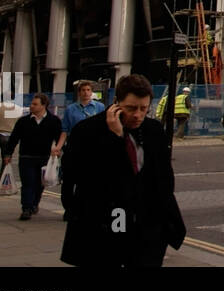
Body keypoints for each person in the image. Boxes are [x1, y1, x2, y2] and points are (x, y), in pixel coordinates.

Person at [60, 73, 186, 267]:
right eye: (131, 108)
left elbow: (164, 179)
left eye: (143, 108)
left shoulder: (154, 130)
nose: (138, 115)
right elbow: (75, 177)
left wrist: (165, 224)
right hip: (103, 227)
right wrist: (116, 139)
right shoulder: (87, 132)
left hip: (147, 229)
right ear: (117, 103)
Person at [3, 93, 63, 221]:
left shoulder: (54, 121)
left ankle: (34, 203)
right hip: (26, 157)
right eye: (31, 104)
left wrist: (58, 150)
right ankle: (26, 208)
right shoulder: (23, 121)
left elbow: (59, 138)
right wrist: (8, 154)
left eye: (35, 104)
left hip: (44, 158)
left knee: (40, 184)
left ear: (44, 106)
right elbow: (13, 139)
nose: (31, 106)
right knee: (27, 183)